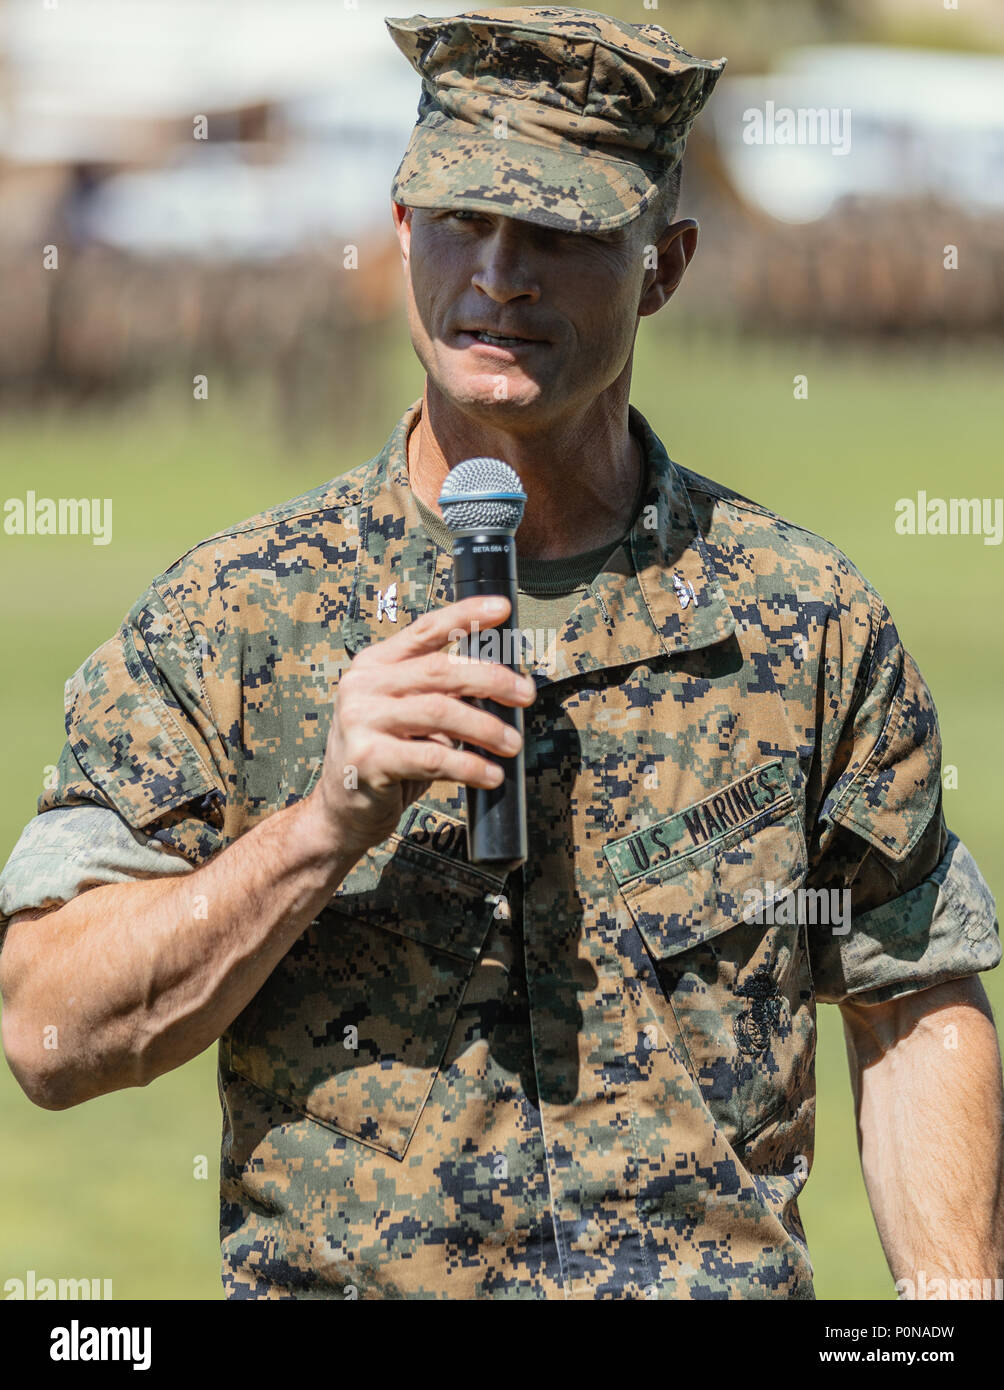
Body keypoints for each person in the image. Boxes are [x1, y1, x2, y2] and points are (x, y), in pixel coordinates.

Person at [1, 7, 1001, 1301]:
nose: (499, 275)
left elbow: (911, 992)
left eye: (559, 232)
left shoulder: (802, 621)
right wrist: (318, 826)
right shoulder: (234, 616)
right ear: (404, 230)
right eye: (463, 221)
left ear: (666, 262)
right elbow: (47, 1028)